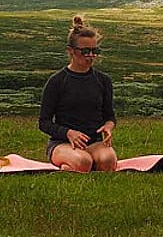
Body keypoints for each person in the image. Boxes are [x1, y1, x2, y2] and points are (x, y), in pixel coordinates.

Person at [39, 16, 118, 173]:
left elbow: (109, 116)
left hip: (94, 142)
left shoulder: (103, 81)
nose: (91, 56)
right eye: (85, 51)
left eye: (95, 51)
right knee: (83, 161)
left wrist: (109, 127)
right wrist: (69, 133)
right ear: (71, 51)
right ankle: (73, 164)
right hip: (62, 143)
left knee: (108, 161)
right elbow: (44, 122)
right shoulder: (57, 81)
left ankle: (75, 167)